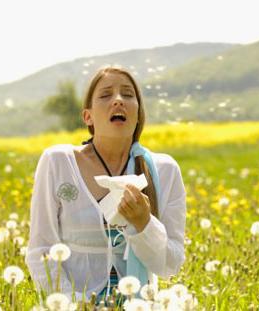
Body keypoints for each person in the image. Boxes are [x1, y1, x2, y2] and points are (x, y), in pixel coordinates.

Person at [25, 66, 186, 305]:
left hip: (138, 304)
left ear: (138, 113)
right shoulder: (57, 162)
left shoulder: (164, 170)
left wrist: (145, 224)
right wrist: (73, 305)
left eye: (128, 95)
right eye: (106, 95)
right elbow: (41, 251)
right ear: (87, 117)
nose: (118, 100)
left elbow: (169, 265)